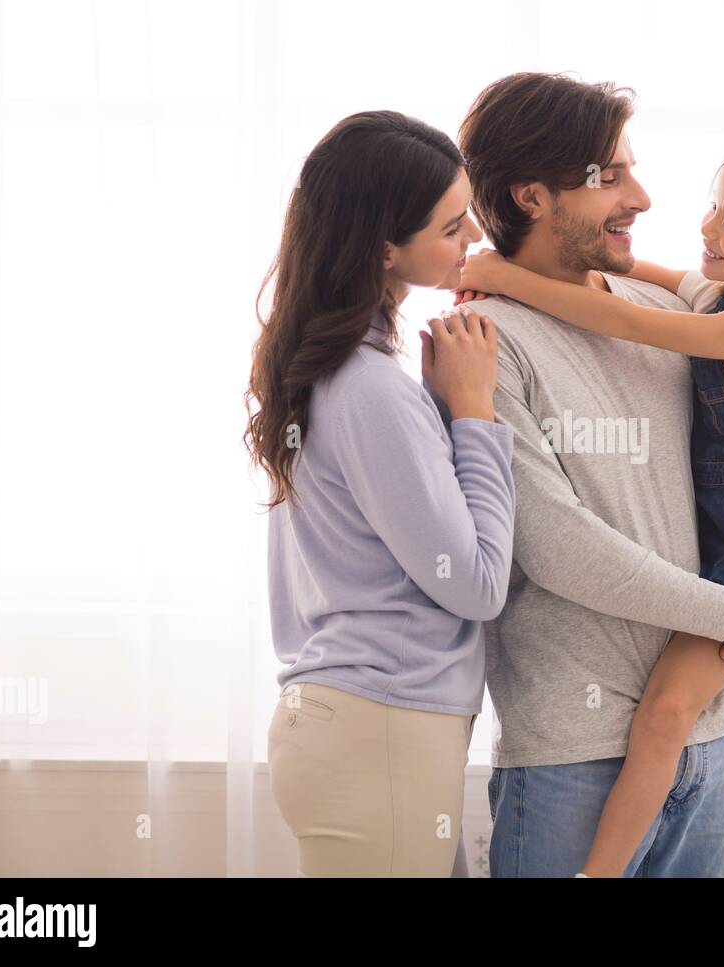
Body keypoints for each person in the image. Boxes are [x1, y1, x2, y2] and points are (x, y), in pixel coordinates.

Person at [455, 72, 724, 878]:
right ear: (531, 195)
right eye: (611, 176)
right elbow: (559, 547)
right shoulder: (485, 341)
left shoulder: (688, 320)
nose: (644, 197)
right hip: (572, 760)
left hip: (709, 736)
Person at [244, 111, 515, 876]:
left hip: (359, 730)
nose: (473, 244)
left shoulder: (335, 373)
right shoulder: (369, 390)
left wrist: (439, 409)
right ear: (384, 247)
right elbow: (478, 583)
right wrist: (475, 415)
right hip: (381, 732)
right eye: (452, 227)